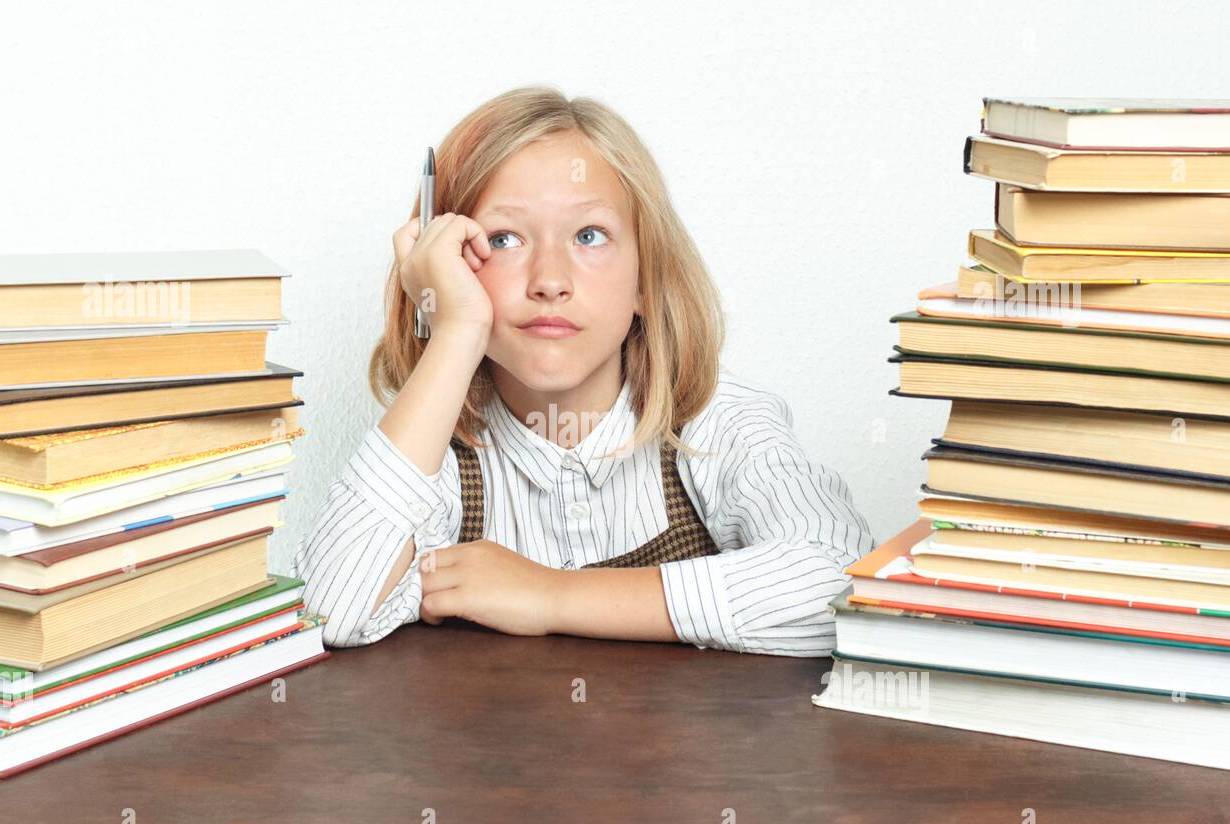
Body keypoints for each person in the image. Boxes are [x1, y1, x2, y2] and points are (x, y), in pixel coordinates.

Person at [292, 86, 876, 656]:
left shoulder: (719, 424)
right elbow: (331, 608)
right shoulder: (438, 454)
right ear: (446, 266)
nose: (550, 279)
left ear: (646, 280)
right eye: (504, 238)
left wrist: (552, 596)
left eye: (589, 236)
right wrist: (453, 329)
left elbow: (840, 581)